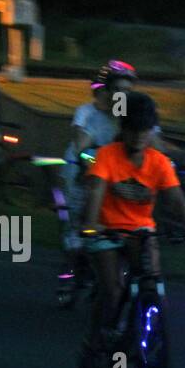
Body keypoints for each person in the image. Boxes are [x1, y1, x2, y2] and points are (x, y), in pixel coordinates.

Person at [78, 92, 185, 368]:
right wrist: (91, 225)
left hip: (141, 231)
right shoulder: (107, 157)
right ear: (123, 129)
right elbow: (97, 190)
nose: (138, 136)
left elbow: (175, 197)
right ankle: (94, 343)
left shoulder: (158, 162)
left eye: (145, 130)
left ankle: (139, 336)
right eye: (133, 129)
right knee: (112, 290)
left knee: (151, 281)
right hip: (106, 230)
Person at [57, 60, 137, 296]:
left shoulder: (123, 113)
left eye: (127, 92)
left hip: (111, 175)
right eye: (117, 90)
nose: (122, 96)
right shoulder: (87, 113)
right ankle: (69, 274)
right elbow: (80, 142)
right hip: (82, 173)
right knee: (77, 230)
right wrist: (86, 158)